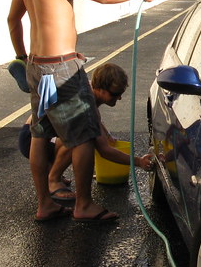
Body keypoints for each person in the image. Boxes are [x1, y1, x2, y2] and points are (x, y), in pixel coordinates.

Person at [7, 0, 159, 223]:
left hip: (37, 67)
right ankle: (84, 204)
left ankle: (45, 204)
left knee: (39, 134)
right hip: (61, 68)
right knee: (84, 135)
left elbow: (12, 20)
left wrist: (22, 58)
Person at [17, 63, 154, 213]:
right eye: (115, 94)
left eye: (121, 93)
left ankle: (53, 172)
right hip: (30, 138)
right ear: (100, 89)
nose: (120, 97)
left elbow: (96, 122)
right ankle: (53, 179)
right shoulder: (86, 103)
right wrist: (139, 161)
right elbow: (105, 151)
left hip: (38, 134)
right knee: (81, 139)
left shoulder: (87, 90)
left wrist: (107, 134)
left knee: (79, 132)